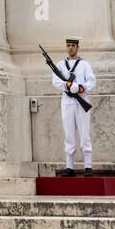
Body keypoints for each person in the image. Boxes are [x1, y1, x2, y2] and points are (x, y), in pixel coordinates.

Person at [50, 38, 96, 176]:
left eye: (73, 46)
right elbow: (55, 81)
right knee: (69, 134)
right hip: (67, 102)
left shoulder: (84, 65)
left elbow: (92, 81)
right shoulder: (60, 64)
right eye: (68, 45)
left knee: (84, 134)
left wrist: (80, 88)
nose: (70, 48)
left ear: (77, 47)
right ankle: (69, 167)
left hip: (81, 101)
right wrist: (67, 85)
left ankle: (88, 166)